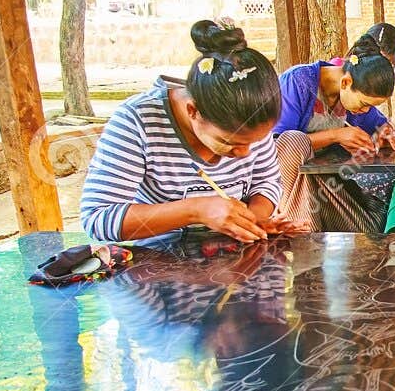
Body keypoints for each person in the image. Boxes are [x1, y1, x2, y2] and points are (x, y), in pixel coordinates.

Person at [80, 20, 288, 244]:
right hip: (163, 261)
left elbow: (266, 182)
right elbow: (97, 218)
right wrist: (196, 210)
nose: (245, 153)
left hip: (237, 254)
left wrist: (252, 222)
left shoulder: (252, 118)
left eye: (255, 141)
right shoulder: (137, 121)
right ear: (193, 111)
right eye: (229, 143)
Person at [272, 34, 395, 232]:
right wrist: (336, 135)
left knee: (372, 226)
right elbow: (279, 144)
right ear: (345, 82)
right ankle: (301, 230)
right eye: (364, 104)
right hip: (285, 183)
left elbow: (380, 123)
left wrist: (383, 133)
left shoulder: (354, 96)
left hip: (324, 181)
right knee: (294, 139)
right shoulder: (297, 81)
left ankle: (309, 234)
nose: (365, 111)